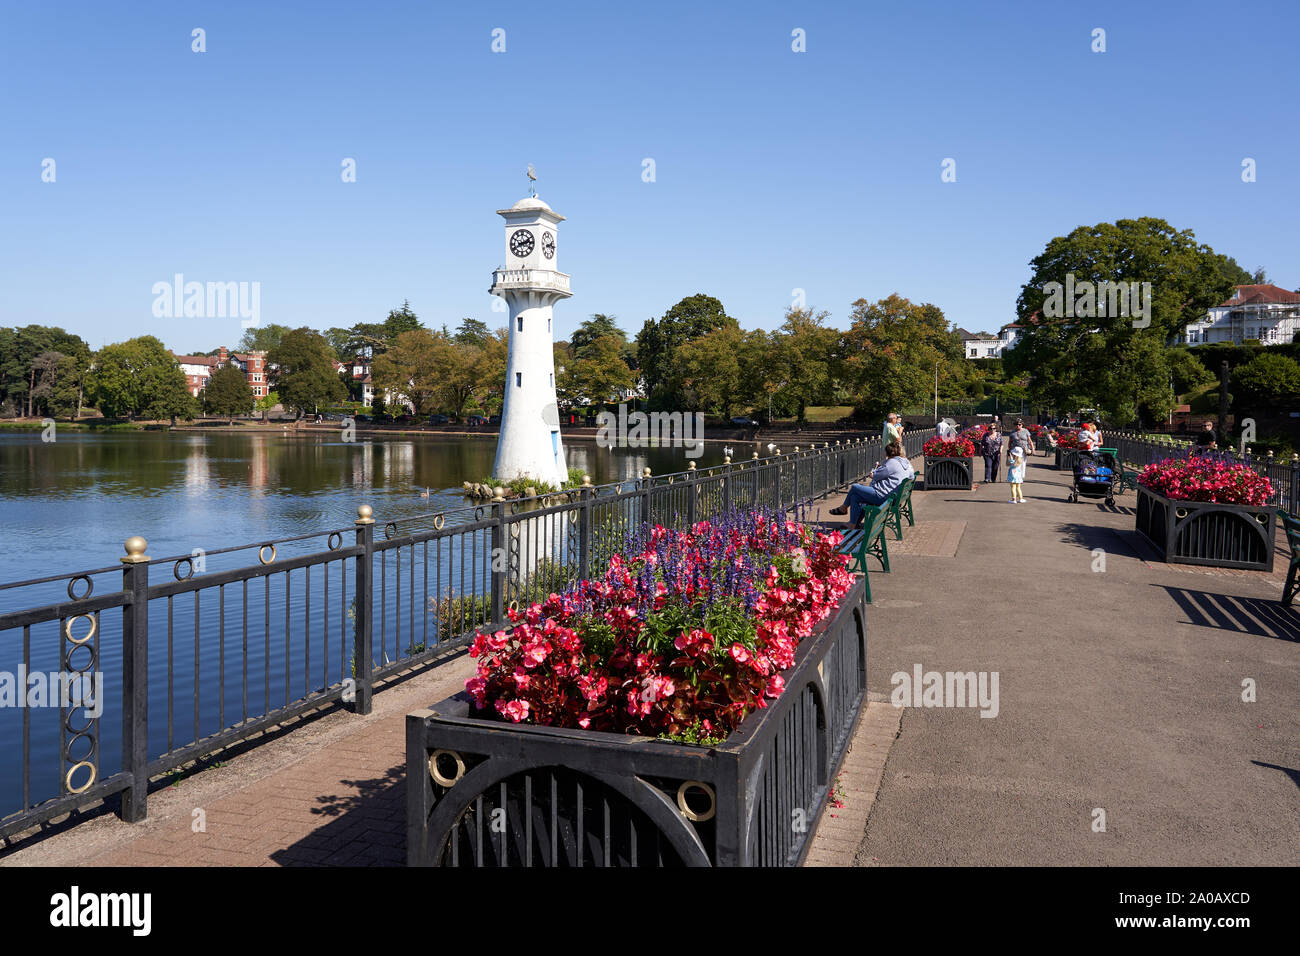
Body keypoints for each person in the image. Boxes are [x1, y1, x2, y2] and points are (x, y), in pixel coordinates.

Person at [829, 440, 914, 526]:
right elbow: (910, 476)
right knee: (855, 497)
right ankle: (853, 523)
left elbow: (876, 476)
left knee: (855, 487)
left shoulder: (892, 462)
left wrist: (874, 472)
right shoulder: (907, 463)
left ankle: (843, 508)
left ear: (888, 453)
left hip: (884, 496)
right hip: (895, 496)